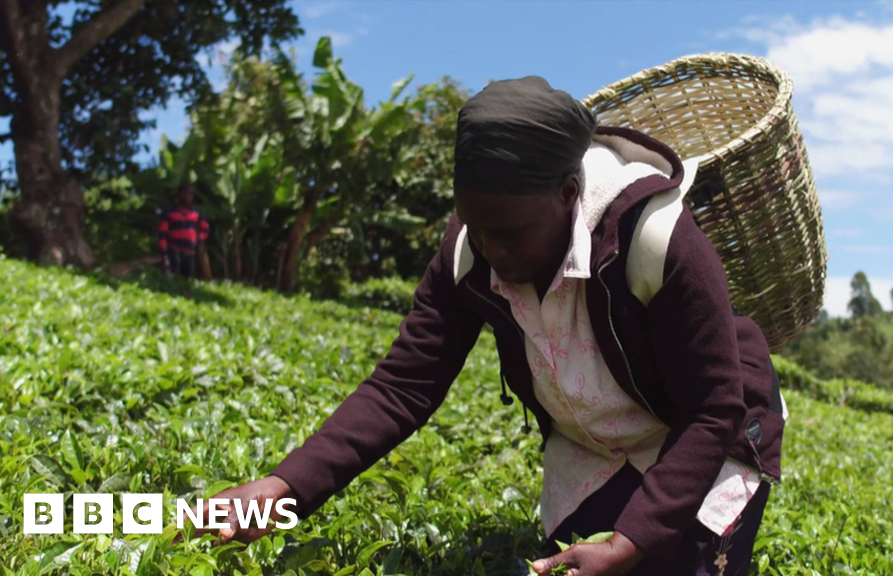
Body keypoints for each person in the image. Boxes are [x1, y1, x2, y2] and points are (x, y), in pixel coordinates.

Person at [200, 76, 787, 576]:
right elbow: (403, 386)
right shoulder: (467, 253)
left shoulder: (657, 238)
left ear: (567, 194)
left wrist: (630, 540)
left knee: (665, 560)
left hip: (705, 434)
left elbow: (711, 410)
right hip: (595, 445)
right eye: (476, 227)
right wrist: (281, 489)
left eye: (508, 233)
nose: (492, 251)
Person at [158, 184, 209, 279]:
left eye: (192, 194)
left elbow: (206, 229)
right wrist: (164, 252)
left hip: (189, 253)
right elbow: (163, 233)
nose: (191, 197)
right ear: (180, 194)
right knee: (175, 279)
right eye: (188, 193)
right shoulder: (169, 212)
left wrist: (198, 240)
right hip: (174, 251)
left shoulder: (195, 213)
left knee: (188, 280)